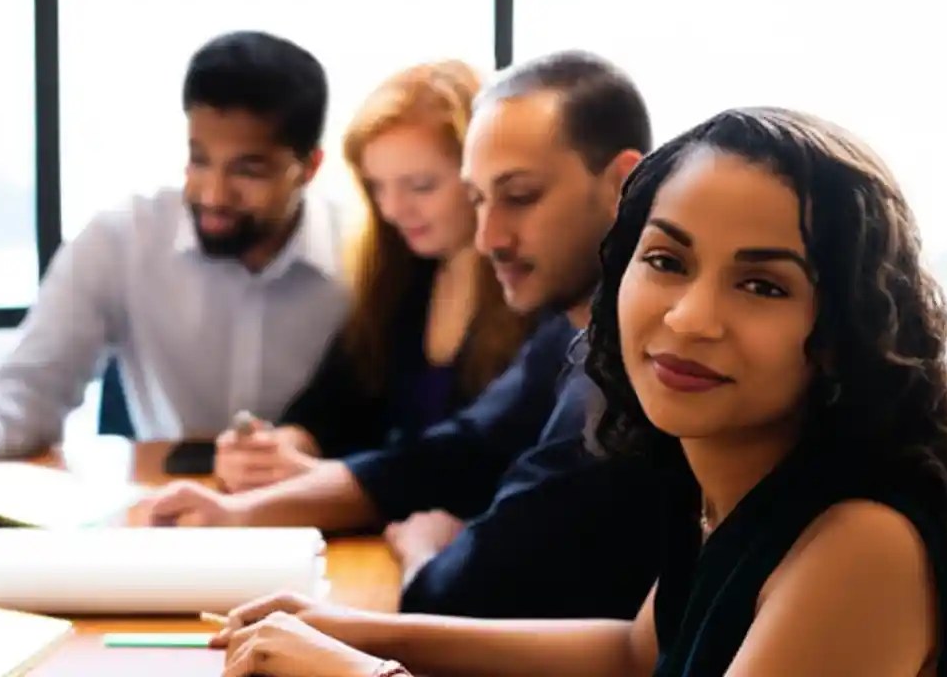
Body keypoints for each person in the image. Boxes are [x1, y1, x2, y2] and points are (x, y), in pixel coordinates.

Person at [205, 107, 947, 677]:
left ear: (845, 333)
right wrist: (355, 626)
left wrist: (362, 672)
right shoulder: (729, 473)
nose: (688, 318)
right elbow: (634, 653)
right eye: (667, 261)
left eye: (762, 286)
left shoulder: (861, 547)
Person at [139, 50, 665, 620]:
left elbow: (464, 591)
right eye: (479, 199)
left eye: (518, 196)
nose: (487, 239)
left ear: (623, 184)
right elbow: (449, 455)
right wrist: (241, 513)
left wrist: (423, 552)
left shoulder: (628, 368)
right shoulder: (567, 335)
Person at [0, 31, 346, 467]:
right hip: (162, 511)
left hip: (327, 513)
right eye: (199, 159)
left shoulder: (361, 258)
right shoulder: (122, 239)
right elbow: (36, 384)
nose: (213, 194)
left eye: (248, 171)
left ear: (308, 167)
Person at [213, 60, 534, 495]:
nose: (393, 210)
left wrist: (328, 478)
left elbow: (474, 452)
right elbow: (333, 405)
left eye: (420, 186)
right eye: (377, 187)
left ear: (482, 176)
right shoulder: (401, 277)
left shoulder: (536, 291)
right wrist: (279, 448)